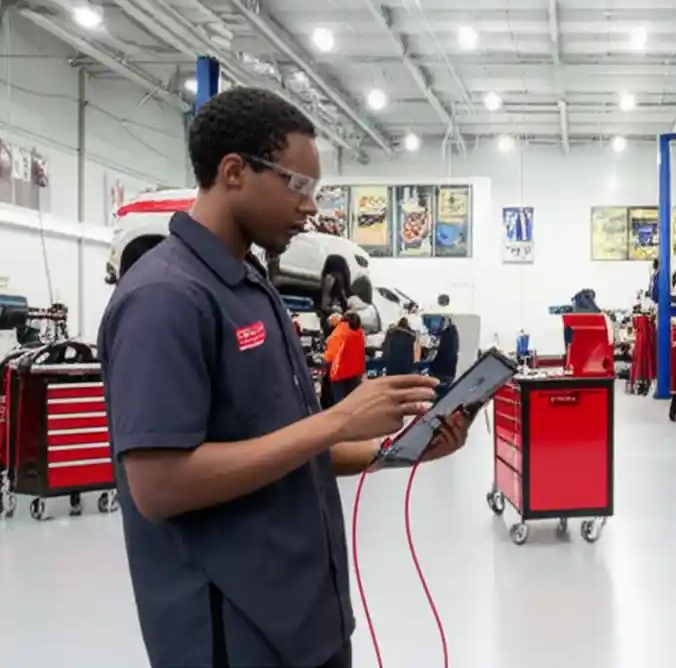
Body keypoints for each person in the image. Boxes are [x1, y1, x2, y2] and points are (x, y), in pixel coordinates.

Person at [97, 86, 473, 668]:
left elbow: (283, 445)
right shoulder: (165, 299)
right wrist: (339, 420)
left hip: (306, 619)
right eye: (299, 186)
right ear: (233, 172)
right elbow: (159, 486)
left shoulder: (253, 289)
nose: (310, 208)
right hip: (233, 634)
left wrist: (394, 452)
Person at [324, 311, 366, 402]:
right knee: (353, 400)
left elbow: (331, 355)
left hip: (340, 372)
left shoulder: (339, 332)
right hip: (355, 372)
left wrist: (324, 358)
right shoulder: (359, 332)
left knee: (340, 402)